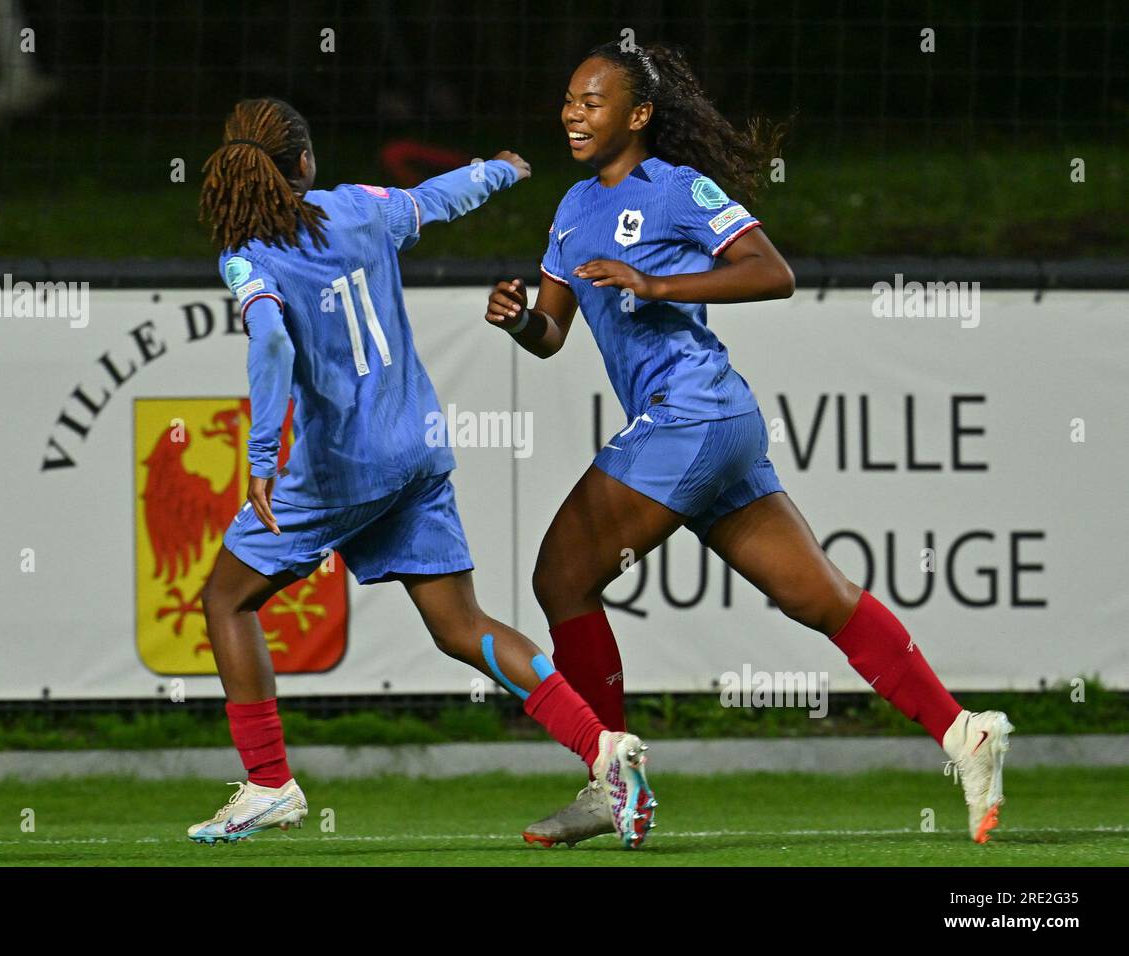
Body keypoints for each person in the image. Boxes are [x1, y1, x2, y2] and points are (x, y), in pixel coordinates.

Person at [483, 42, 1012, 848]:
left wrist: (659, 285)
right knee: (819, 597)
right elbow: (553, 334)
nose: (572, 114)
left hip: (693, 412)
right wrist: (522, 318)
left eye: (592, 102)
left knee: (561, 574)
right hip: (711, 424)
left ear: (638, 115)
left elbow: (772, 272)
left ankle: (611, 784)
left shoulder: (680, 189)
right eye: (568, 100)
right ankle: (963, 733)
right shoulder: (571, 208)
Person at [188, 97, 657, 849]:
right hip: (416, 450)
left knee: (226, 600)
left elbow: (271, 344)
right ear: (305, 165)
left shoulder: (249, 255)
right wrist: (499, 171)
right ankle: (603, 751)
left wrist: (262, 461)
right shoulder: (358, 209)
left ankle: (270, 783)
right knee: (461, 626)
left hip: (338, 467)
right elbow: (434, 199)